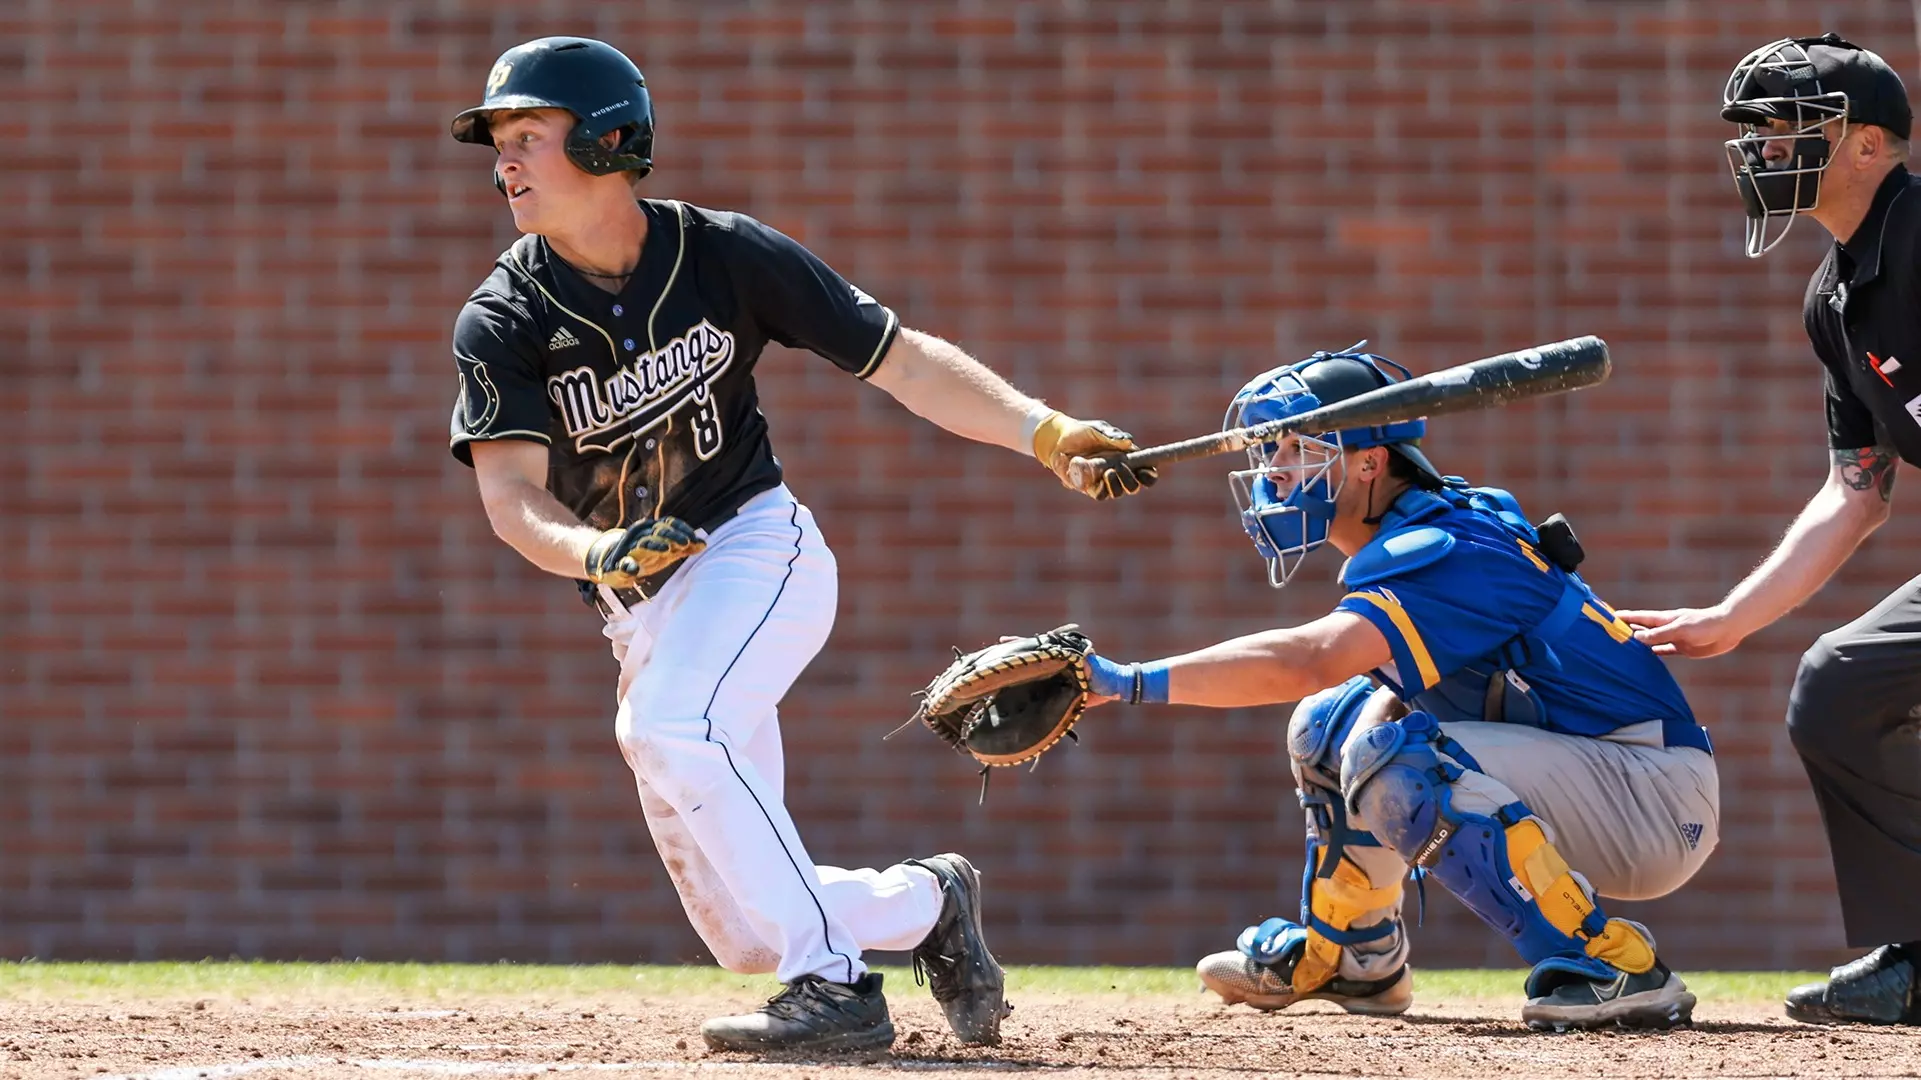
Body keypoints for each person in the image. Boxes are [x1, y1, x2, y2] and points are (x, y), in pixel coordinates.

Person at [443, 36, 1155, 1052]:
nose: (504, 160)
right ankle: (928, 903)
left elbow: (903, 362)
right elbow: (511, 498)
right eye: (498, 142)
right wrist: (595, 553)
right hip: (637, 606)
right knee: (743, 933)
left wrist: (1043, 431)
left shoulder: (723, 254)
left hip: (752, 551)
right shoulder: (504, 316)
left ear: (606, 141)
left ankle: (834, 988)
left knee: (665, 727)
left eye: (528, 134)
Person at [1070, 348, 1720, 1031]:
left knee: (1390, 757)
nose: (1275, 471)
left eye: (1298, 449)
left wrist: (1127, 681)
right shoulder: (1421, 529)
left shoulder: (1446, 548)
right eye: (1270, 451)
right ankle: (1354, 956)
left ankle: (1610, 962)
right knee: (1330, 726)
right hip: (1588, 772)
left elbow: (1310, 658)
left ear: (1368, 463)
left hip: (1650, 793)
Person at [1618, 33, 1921, 1027]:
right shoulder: (1833, 299)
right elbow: (1855, 491)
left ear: (1868, 144)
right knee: (1840, 685)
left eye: (1788, 128)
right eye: (1754, 132)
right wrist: (1731, 617)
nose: (1762, 149)